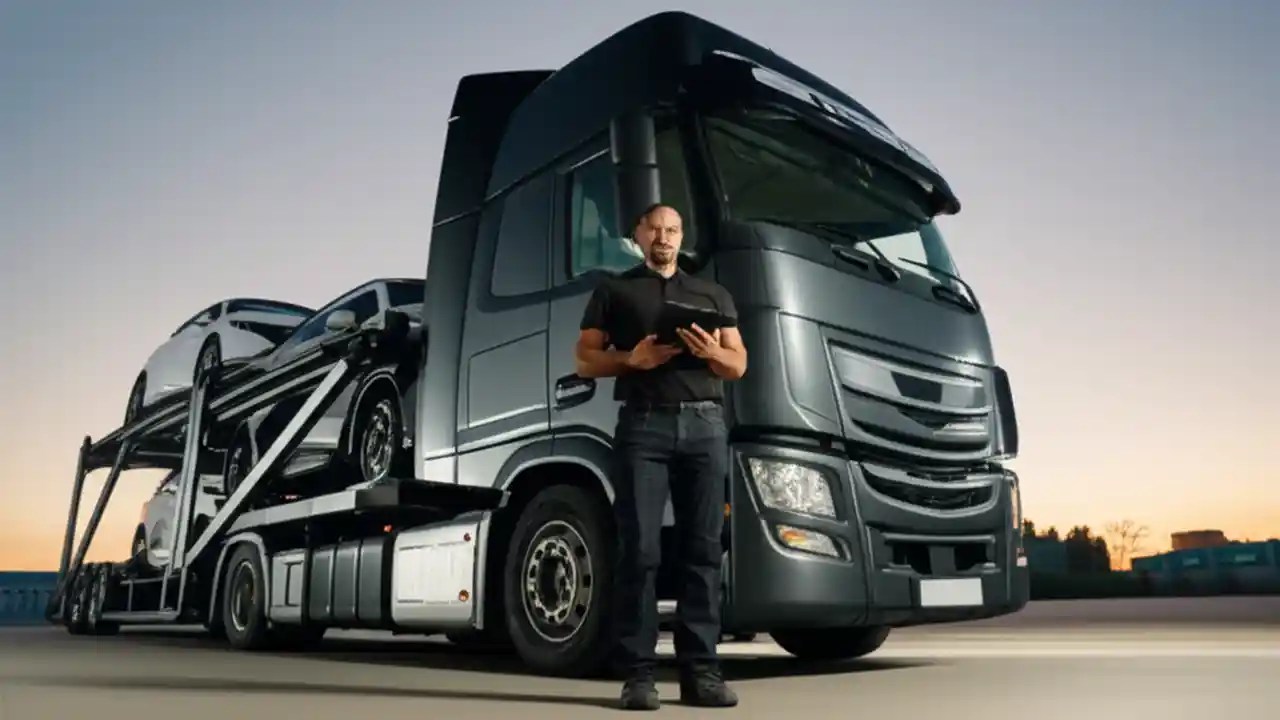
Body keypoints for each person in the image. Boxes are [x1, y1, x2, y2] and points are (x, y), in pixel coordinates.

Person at [574, 203, 747, 710]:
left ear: (681, 235)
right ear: (639, 234)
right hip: (643, 427)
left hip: (705, 426)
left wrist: (712, 353)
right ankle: (638, 676)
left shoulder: (712, 293)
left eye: (672, 229)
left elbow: (738, 363)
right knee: (640, 551)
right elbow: (584, 360)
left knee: (703, 551)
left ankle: (702, 675)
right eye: (655, 229)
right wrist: (632, 359)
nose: (664, 237)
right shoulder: (613, 291)